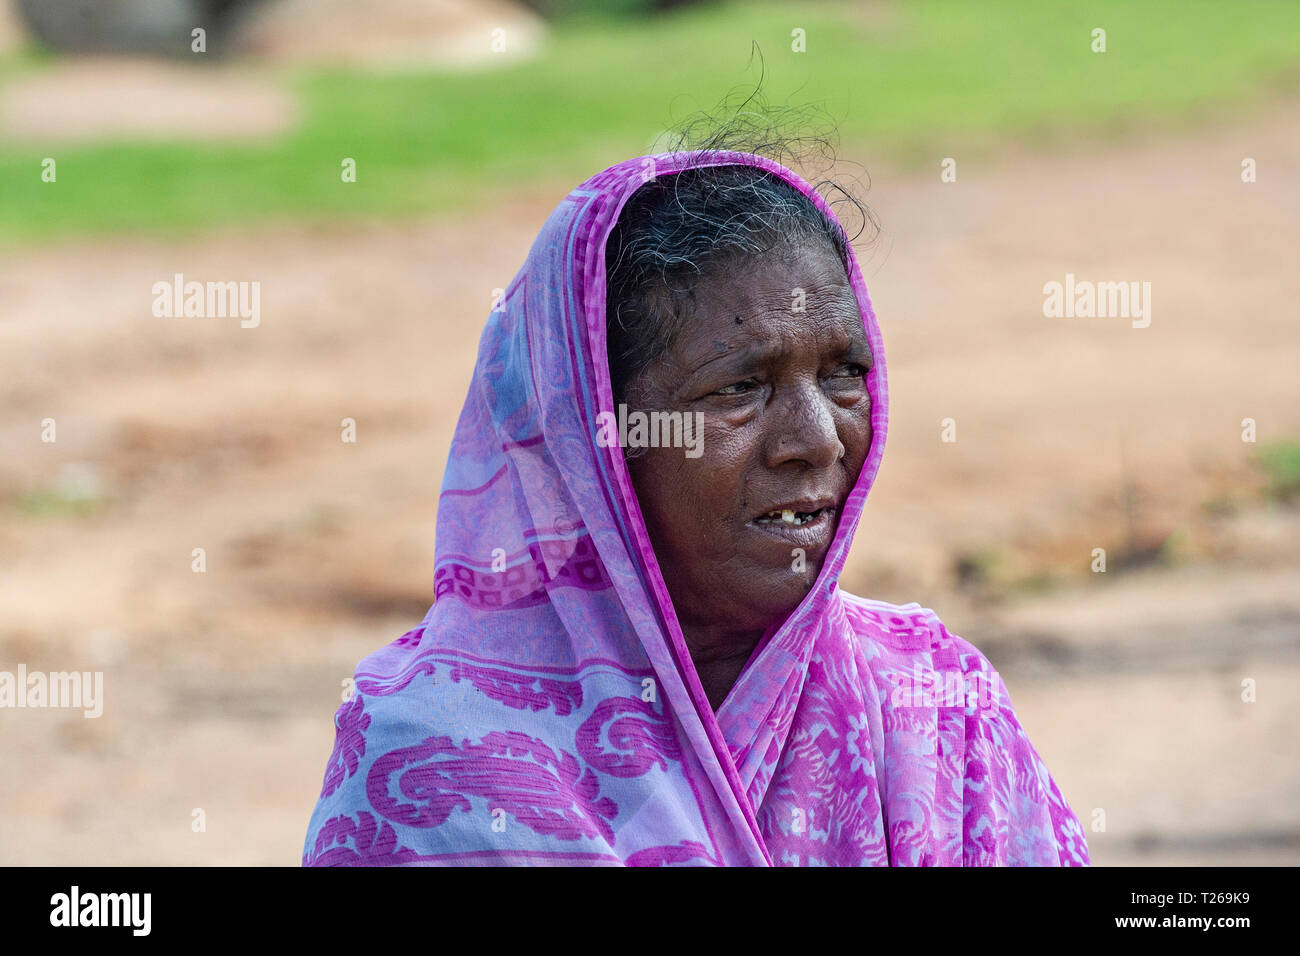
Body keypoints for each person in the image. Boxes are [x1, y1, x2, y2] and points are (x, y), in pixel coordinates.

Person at [301, 142, 1090, 866]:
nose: (817, 441)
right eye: (740, 388)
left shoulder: (938, 705)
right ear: (598, 434)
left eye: (844, 372)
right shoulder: (434, 751)